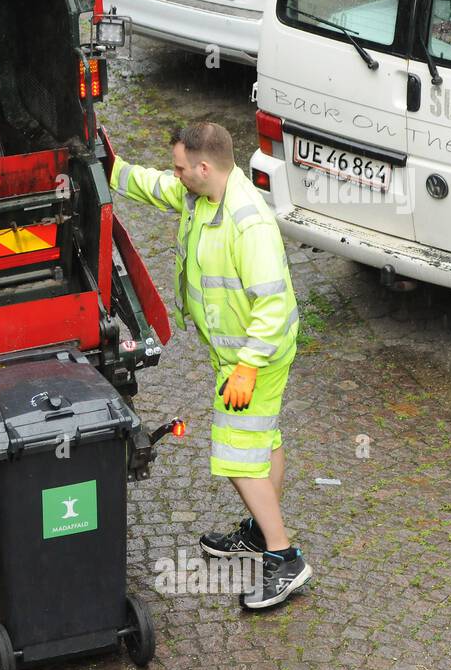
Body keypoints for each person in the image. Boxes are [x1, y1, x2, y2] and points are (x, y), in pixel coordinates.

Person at [110, 122, 312, 609]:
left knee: (237, 454)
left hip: (254, 357)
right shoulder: (200, 195)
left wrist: (246, 367)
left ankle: (285, 558)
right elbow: (155, 186)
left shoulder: (249, 223)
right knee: (264, 441)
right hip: (240, 354)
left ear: (204, 167)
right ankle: (261, 535)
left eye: (180, 167)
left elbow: (274, 305)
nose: (174, 174)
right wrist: (112, 168)